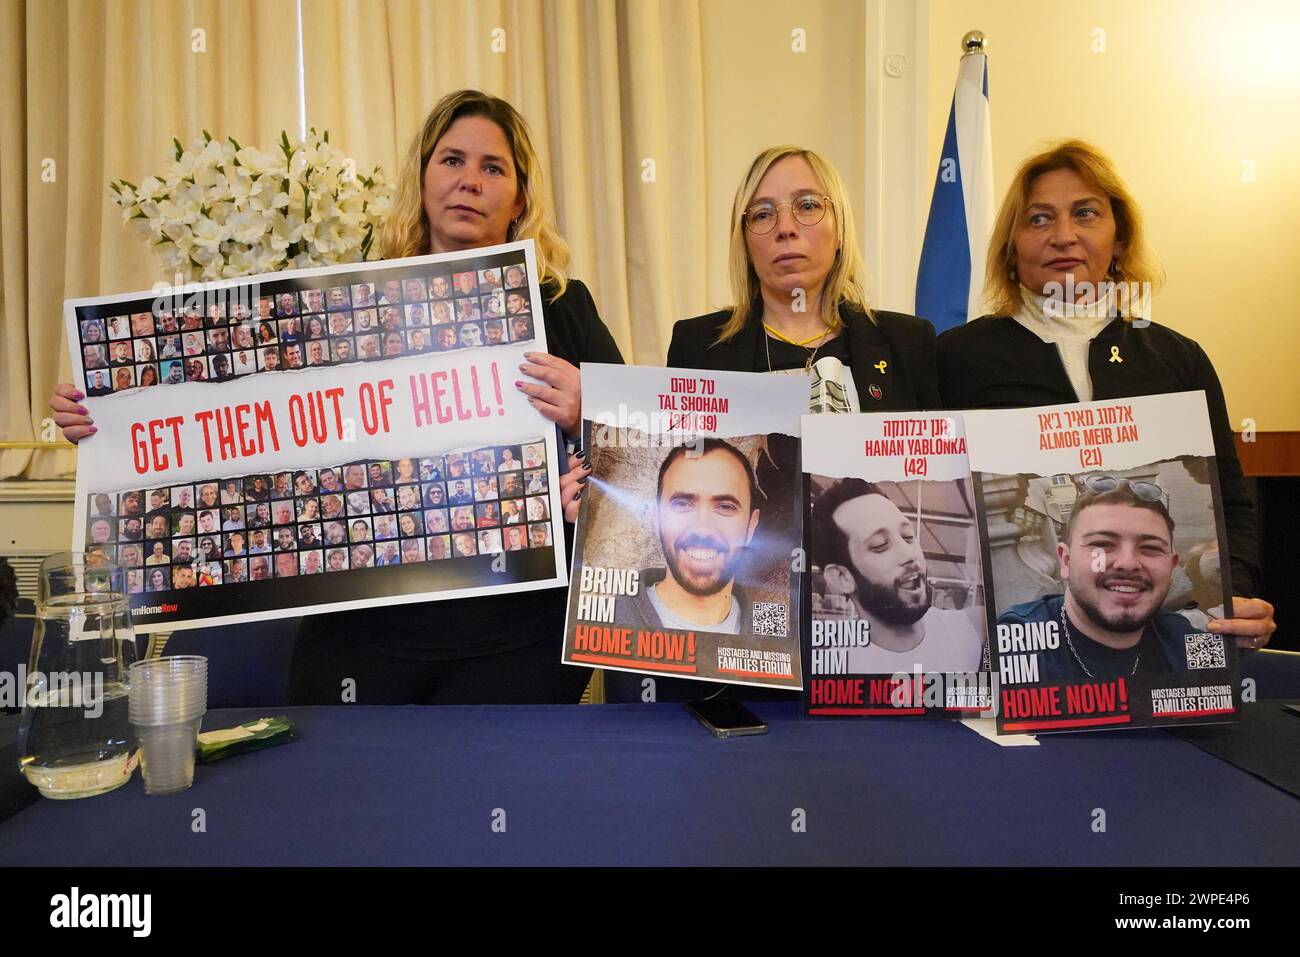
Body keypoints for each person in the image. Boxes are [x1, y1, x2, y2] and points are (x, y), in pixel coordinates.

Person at [936, 139, 1274, 651]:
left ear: (1119, 237)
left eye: (1086, 214)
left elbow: (1230, 500)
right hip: (1006, 654)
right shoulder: (955, 358)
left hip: (1165, 653)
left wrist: (1238, 598)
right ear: (1012, 246)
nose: (1063, 236)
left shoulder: (1177, 357)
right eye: (1039, 219)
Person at [666, 145, 939, 413]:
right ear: (745, 245)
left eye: (808, 205)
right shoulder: (695, 347)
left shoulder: (909, 343)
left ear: (840, 229)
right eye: (763, 213)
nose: (785, 228)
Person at [998, 481, 1204, 681]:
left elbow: (1233, 686)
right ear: (1066, 561)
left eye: (1150, 547)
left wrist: (1236, 650)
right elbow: (974, 711)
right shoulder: (1012, 641)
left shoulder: (1184, 637)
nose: (1128, 563)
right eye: (1102, 544)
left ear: (1171, 565)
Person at [813, 478, 983, 672]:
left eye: (908, 536)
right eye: (880, 545)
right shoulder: (835, 674)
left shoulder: (975, 630)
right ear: (841, 578)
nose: (909, 554)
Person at [619, 440, 760, 636]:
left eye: (726, 507)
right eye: (682, 504)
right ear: (656, 517)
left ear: (751, 525)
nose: (702, 530)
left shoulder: (774, 634)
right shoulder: (608, 616)